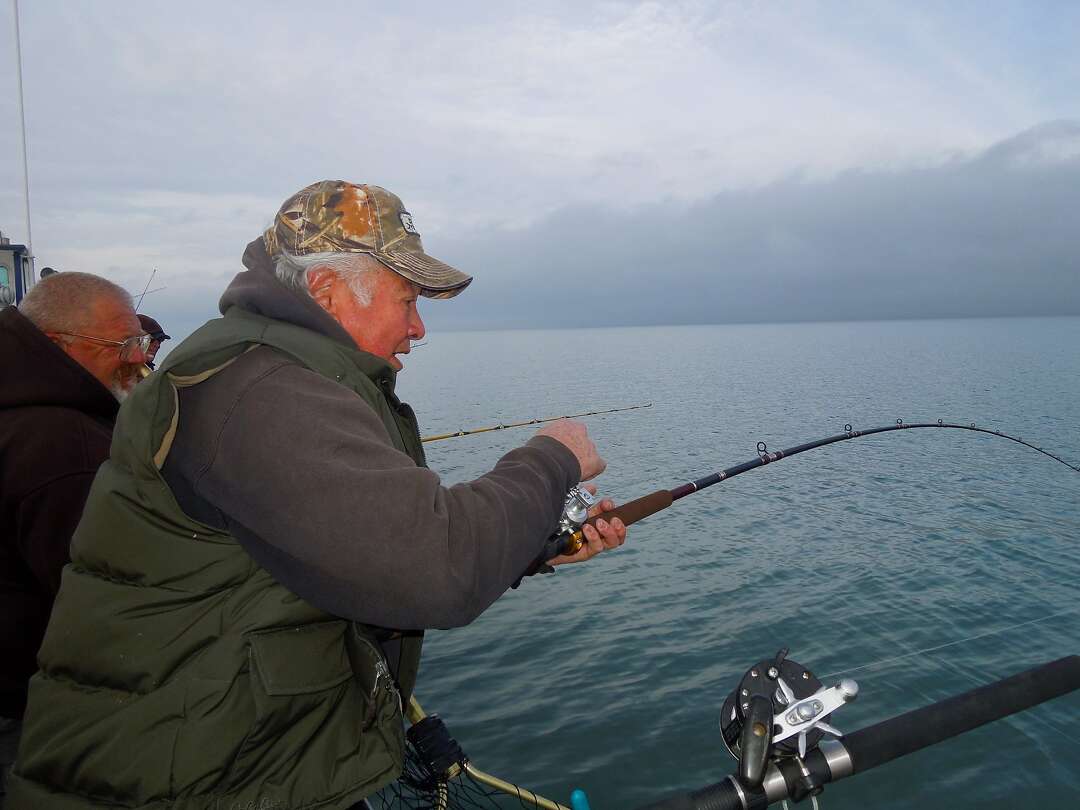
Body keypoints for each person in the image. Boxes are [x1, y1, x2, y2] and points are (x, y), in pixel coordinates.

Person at [6, 181, 626, 810]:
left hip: (252, 767)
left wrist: (526, 547)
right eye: (408, 301)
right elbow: (435, 566)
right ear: (329, 292)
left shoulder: (276, 378)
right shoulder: (261, 389)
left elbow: (355, 558)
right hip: (180, 783)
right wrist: (552, 460)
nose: (418, 328)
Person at [0, 272, 149, 799]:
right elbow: (111, 603)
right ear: (58, 347)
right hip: (37, 709)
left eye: (142, 341)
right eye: (123, 345)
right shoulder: (66, 448)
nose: (139, 359)